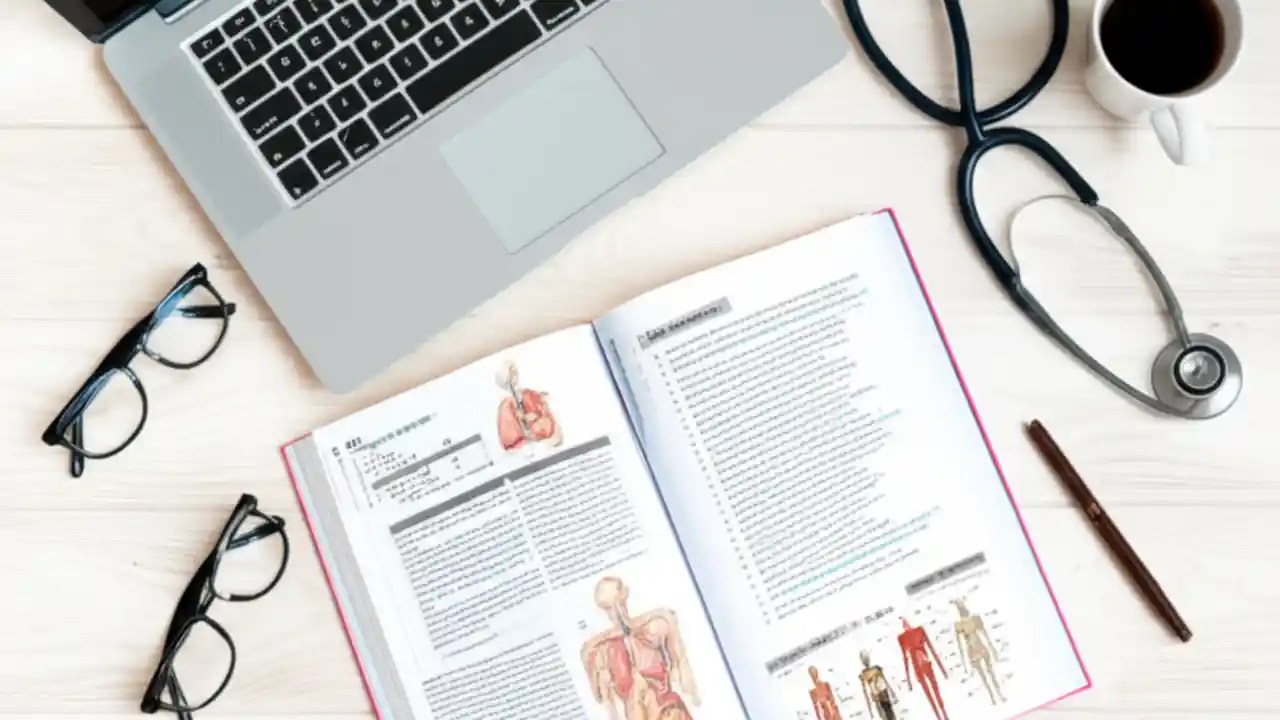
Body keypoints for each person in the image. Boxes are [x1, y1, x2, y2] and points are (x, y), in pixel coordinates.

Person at [582, 577, 699, 720]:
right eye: (609, 607)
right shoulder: (603, 651)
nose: (617, 612)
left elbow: (681, 666)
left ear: (625, 594)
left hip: (668, 712)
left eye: (619, 602)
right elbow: (606, 704)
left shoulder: (654, 628)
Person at [954, 600, 1006, 705]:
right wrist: (964, 662)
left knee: (990, 672)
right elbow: (960, 646)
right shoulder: (960, 624)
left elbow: (985, 635)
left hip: (979, 647)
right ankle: (993, 697)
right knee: (985, 675)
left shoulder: (974, 619)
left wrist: (992, 649)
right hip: (973, 650)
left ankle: (998, 695)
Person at [898, 617, 949, 720]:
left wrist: (909, 680)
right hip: (923, 663)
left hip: (921, 664)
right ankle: (942, 716)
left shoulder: (910, 634)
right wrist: (942, 669)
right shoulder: (909, 635)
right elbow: (931, 650)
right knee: (933, 691)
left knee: (932, 692)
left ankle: (942, 715)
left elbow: (906, 659)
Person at [858, 651, 897, 720]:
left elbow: (885, 681)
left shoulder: (875, 668)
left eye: (866, 659)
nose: (866, 661)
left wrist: (892, 693)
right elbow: (865, 691)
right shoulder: (865, 673)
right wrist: (870, 709)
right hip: (877, 697)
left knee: (889, 713)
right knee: (885, 714)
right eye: (864, 659)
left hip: (883, 694)